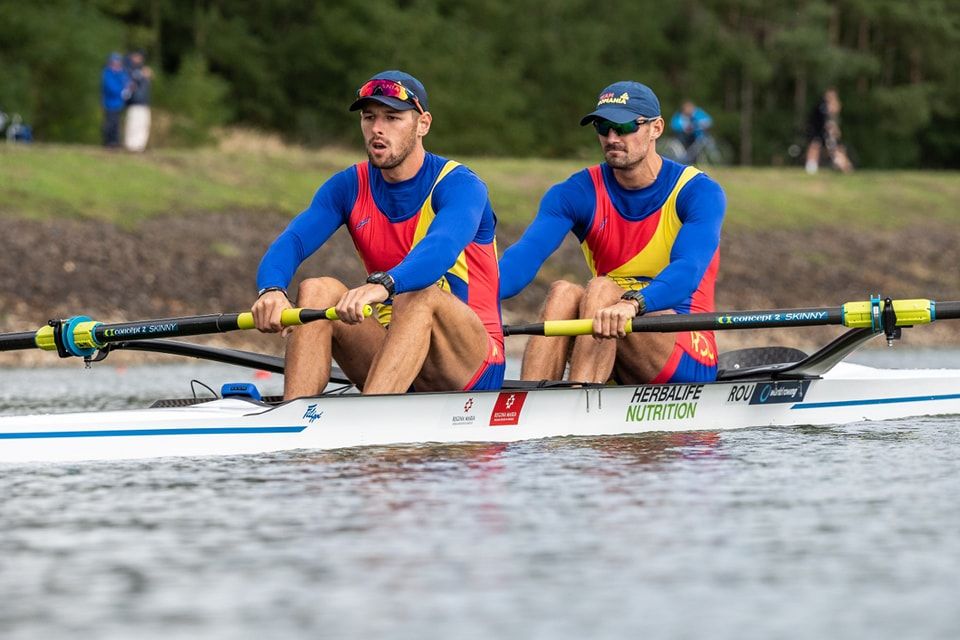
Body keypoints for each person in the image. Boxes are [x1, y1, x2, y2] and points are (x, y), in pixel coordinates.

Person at [252, 70, 504, 399]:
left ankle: (372, 418)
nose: (377, 129)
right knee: (317, 289)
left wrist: (382, 285)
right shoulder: (348, 185)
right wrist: (271, 289)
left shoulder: (461, 185)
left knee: (417, 293)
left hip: (470, 363)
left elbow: (441, 248)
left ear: (423, 124)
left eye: (392, 117)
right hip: (392, 352)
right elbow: (294, 241)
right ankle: (295, 418)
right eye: (369, 117)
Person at [499, 81, 725, 385]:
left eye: (626, 126)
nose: (612, 137)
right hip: (610, 331)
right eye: (603, 126)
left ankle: (581, 405)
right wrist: (475, 297)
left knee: (602, 289)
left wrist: (633, 303)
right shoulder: (576, 191)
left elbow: (688, 271)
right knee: (563, 292)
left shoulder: (698, 191)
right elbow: (524, 256)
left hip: (686, 347)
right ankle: (527, 410)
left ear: (656, 128)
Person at [804, 88, 853, 174]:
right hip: (818, 130)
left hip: (827, 133)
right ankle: (811, 167)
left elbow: (833, 122)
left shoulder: (833, 108)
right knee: (815, 145)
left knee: (836, 148)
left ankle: (844, 166)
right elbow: (824, 122)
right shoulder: (821, 107)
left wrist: (834, 130)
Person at [124, 51, 153, 152]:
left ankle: (140, 146)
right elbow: (128, 88)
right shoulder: (129, 70)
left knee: (143, 124)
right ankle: (131, 145)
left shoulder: (142, 71)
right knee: (133, 124)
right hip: (134, 102)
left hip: (144, 102)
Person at [669, 100, 714, 165]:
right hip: (683, 136)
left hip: (696, 135)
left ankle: (692, 160)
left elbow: (708, 120)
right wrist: (684, 128)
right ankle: (684, 158)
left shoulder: (697, 113)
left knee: (697, 146)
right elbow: (674, 125)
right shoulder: (680, 116)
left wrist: (701, 124)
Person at [100, 53, 129, 148]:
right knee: (110, 123)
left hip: (119, 103)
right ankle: (108, 141)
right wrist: (122, 91)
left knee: (117, 123)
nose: (117, 65)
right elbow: (110, 88)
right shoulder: (107, 73)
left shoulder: (121, 73)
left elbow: (127, 83)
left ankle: (115, 141)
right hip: (110, 103)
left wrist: (127, 89)